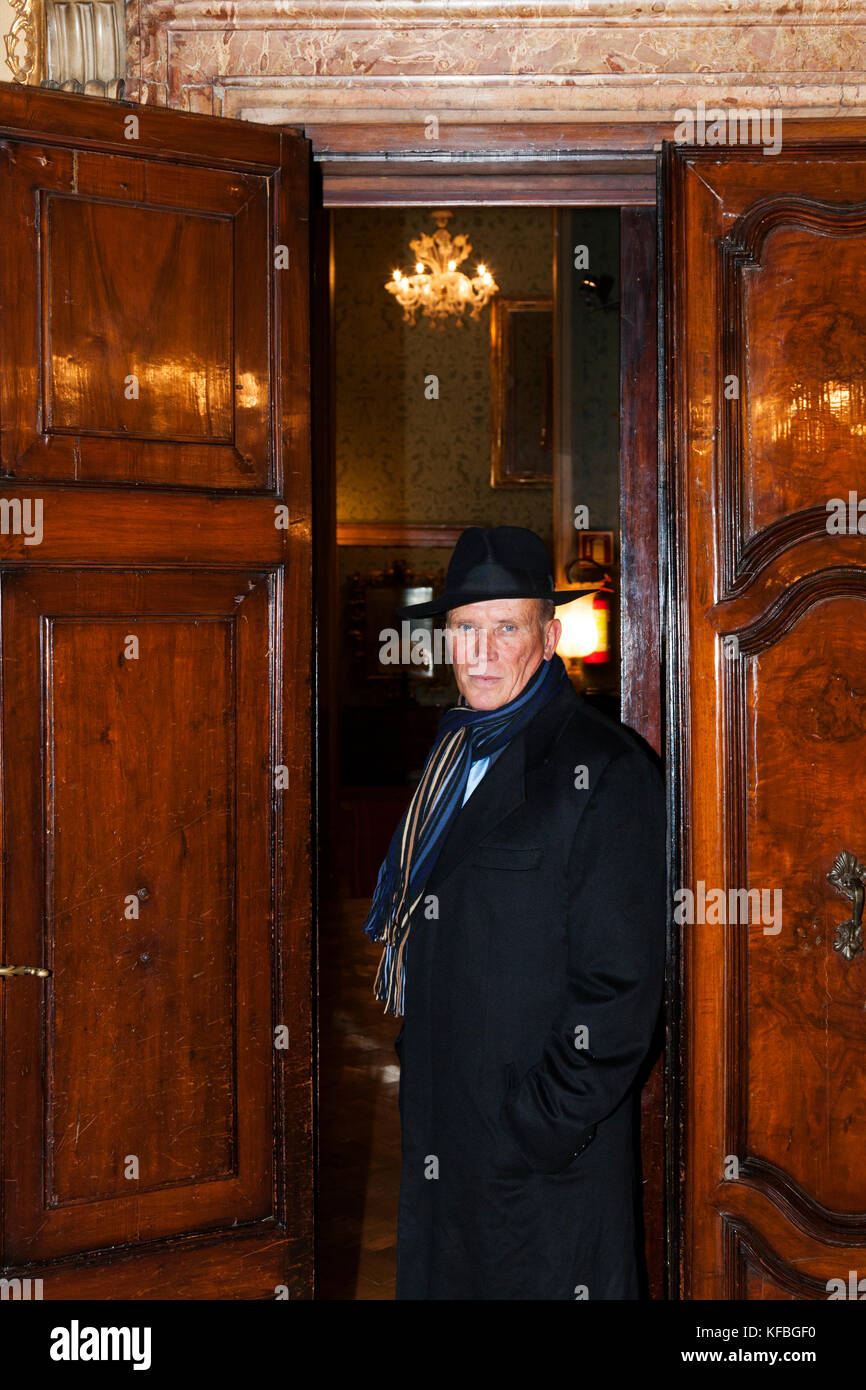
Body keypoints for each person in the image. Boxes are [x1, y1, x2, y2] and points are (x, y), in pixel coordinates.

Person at [362, 525, 665, 1300]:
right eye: (466, 628)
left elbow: (621, 988)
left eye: (507, 627)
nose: (482, 652)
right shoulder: (452, 752)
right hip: (445, 1127)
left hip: (537, 1162)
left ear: (549, 637)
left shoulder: (607, 769)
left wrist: (537, 1125)